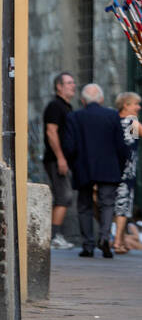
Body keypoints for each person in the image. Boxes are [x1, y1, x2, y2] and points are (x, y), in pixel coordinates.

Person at [63, 84, 129, 258]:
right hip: (109, 167)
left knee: (84, 205)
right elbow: (121, 145)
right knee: (107, 204)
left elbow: (69, 146)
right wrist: (120, 167)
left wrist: (73, 165)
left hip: (83, 166)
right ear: (101, 99)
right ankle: (105, 237)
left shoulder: (74, 117)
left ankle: (88, 245)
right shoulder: (112, 116)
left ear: (83, 101)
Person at [112, 92, 142, 253]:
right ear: (126, 105)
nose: (138, 107)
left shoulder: (113, 120)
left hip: (113, 169)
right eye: (135, 104)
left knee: (113, 206)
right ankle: (118, 242)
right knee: (123, 206)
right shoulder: (131, 121)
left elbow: (131, 143)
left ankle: (118, 239)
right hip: (126, 172)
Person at [42, 71, 77, 249]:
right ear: (59, 86)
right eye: (69, 83)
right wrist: (61, 158)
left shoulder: (67, 107)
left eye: (73, 83)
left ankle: (54, 235)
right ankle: (53, 237)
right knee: (64, 196)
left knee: (63, 196)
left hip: (62, 159)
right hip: (56, 159)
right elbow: (51, 131)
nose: (73, 86)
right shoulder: (55, 106)